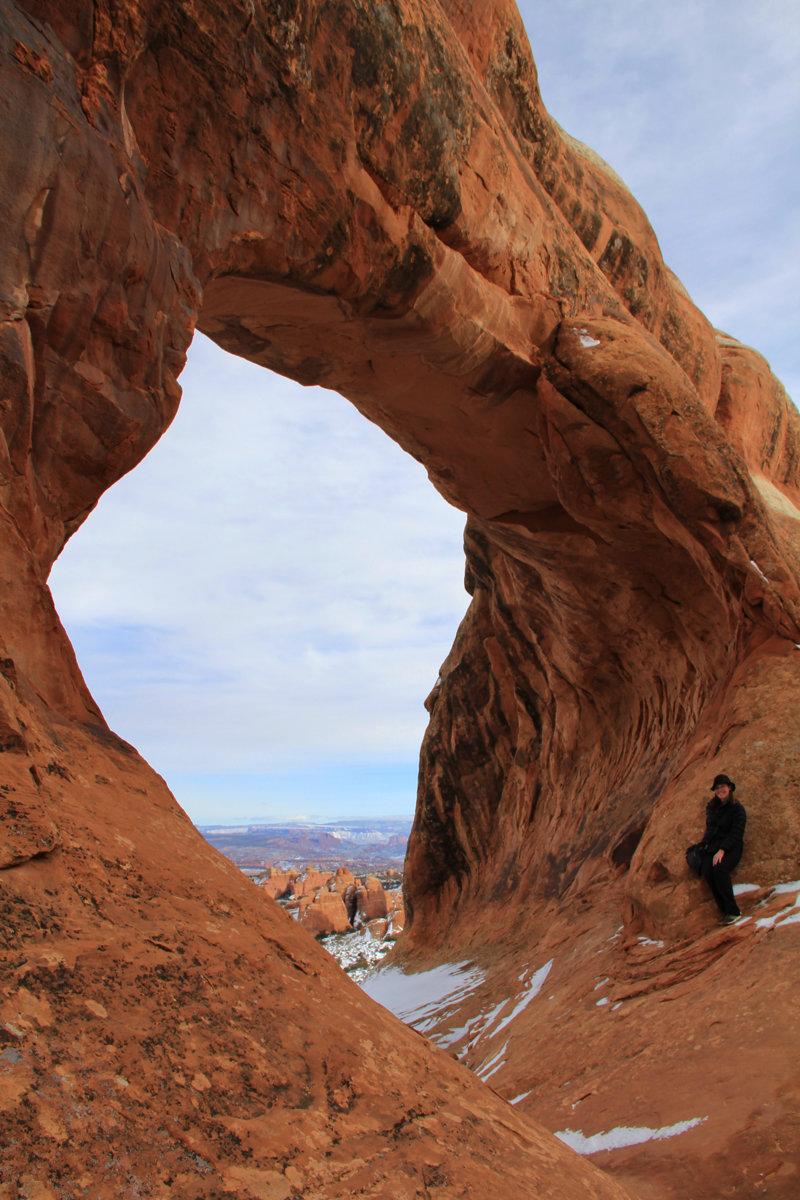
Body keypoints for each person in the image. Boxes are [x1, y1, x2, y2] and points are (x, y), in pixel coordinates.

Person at [698, 773, 747, 923]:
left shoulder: (737, 809)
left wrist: (723, 850)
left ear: (730, 788)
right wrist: (704, 845)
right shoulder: (712, 807)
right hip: (714, 846)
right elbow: (710, 829)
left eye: (723, 787)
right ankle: (724, 910)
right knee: (706, 870)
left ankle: (733, 911)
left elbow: (737, 833)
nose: (720, 790)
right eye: (717, 788)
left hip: (731, 847)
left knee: (719, 868)